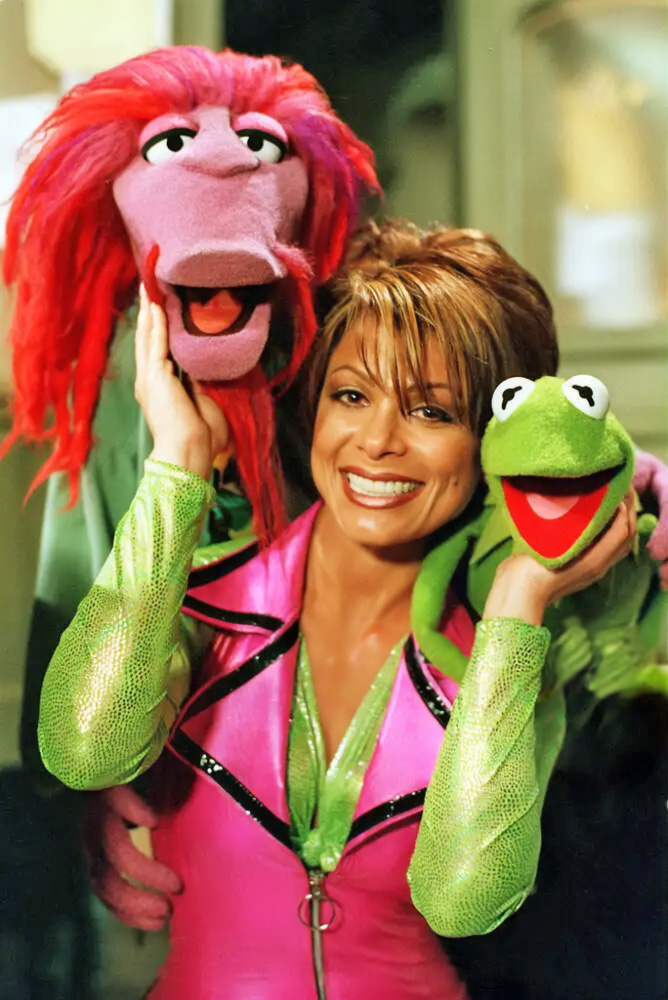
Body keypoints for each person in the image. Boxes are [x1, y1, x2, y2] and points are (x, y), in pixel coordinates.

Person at [38, 221, 636, 999]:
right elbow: (85, 747)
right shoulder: (201, 603)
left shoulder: (507, 657)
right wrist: (180, 462)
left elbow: (467, 897)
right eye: (351, 395)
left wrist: (521, 600)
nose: (378, 440)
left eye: (432, 412)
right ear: (313, 408)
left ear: (491, 441)